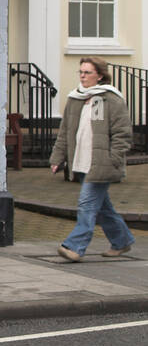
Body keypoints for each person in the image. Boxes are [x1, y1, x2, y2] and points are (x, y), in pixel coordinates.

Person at [48, 56, 135, 261]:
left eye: (88, 72)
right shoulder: (76, 98)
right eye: (81, 72)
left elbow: (123, 134)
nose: (83, 76)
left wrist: (113, 158)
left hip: (101, 165)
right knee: (103, 208)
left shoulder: (110, 99)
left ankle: (75, 247)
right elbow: (65, 132)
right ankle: (121, 241)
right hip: (81, 162)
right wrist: (57, 158)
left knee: (87, 204)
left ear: (100, 76)